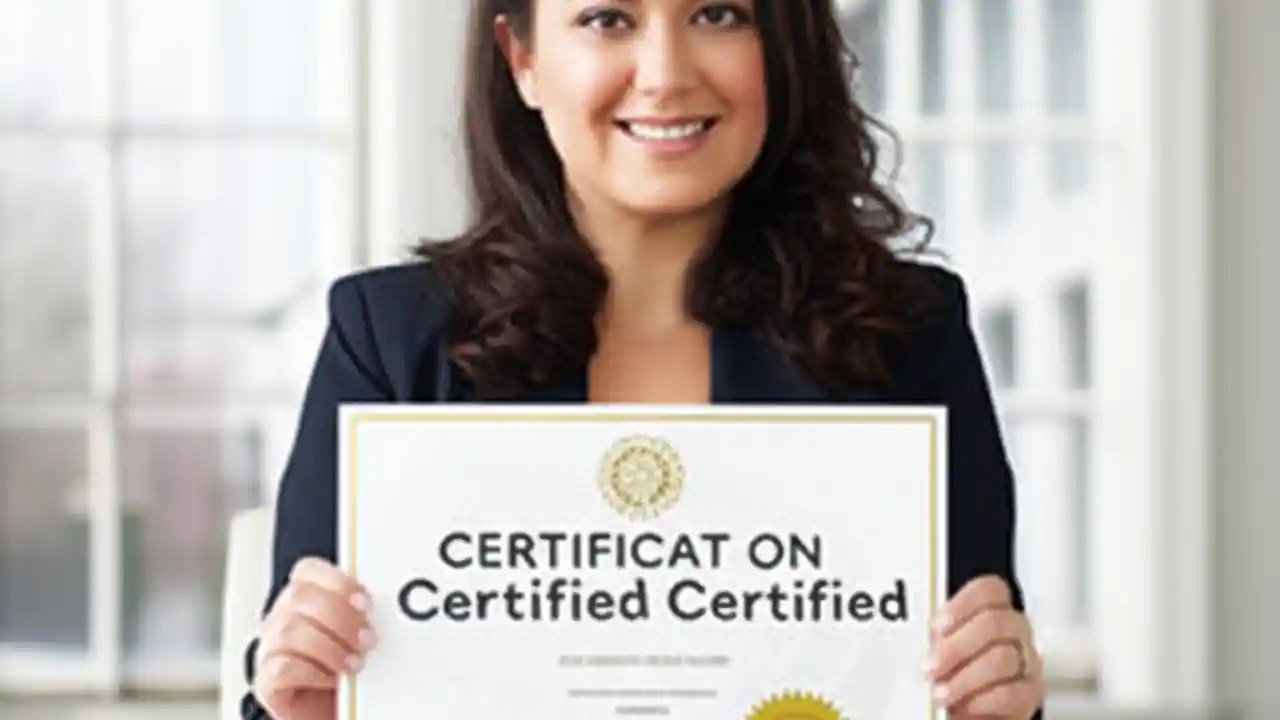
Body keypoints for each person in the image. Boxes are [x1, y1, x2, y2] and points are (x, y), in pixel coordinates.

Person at [241, 0, 1046, 718]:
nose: (664, 75)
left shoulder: (910, 334)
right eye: (606, 19)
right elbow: (309, 688)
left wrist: (994, 700)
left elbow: (953, 681)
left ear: (783, 45)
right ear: (521, 59)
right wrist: (302, 709)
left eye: (720, 14)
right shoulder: (389, 339)